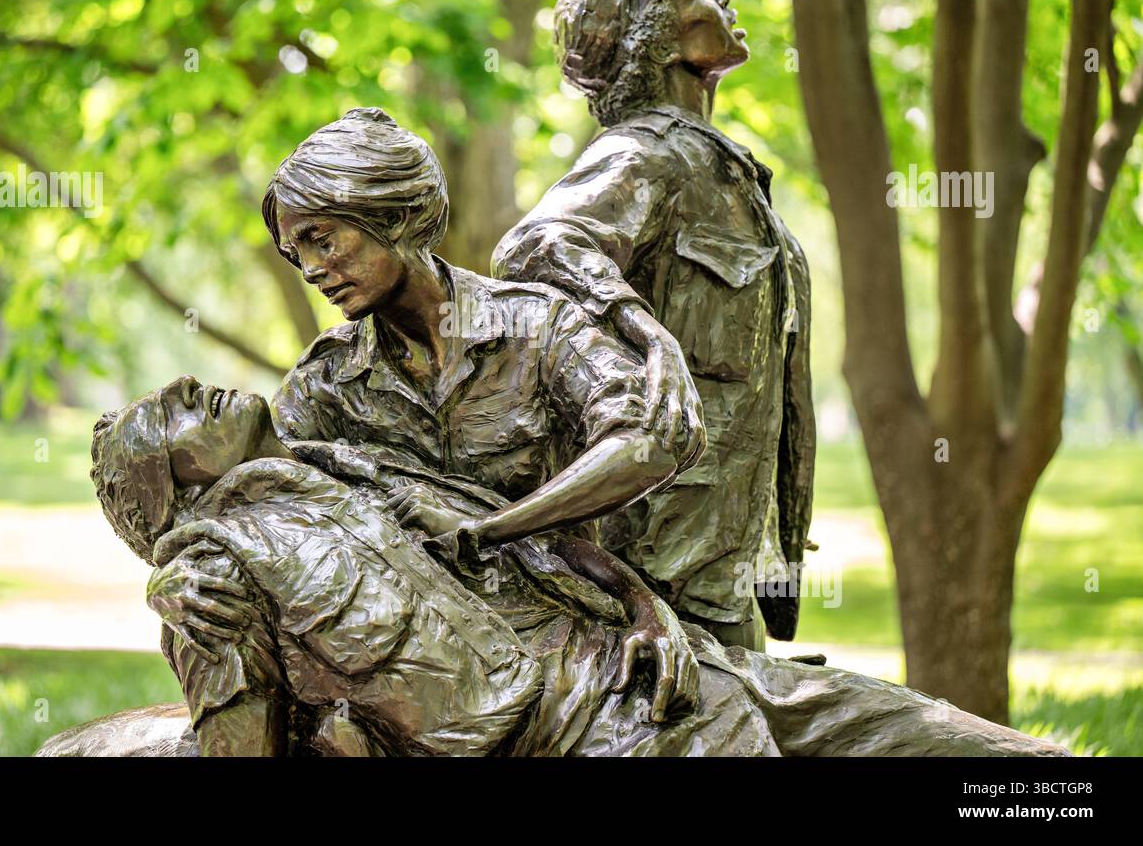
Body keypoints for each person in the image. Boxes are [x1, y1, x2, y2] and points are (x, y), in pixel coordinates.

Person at [96, 108, 1065, 757]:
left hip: (614, 636)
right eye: (294, 250)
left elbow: (648, 441)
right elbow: (272, 521)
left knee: (936, 743)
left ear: (392, 212)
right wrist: (173, 575)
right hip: (479, 699)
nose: (311, 267)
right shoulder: (320, 388)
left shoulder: (536, 324)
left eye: (325, 237)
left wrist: (555, 561)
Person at [492, 0, 815, 649]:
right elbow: (536, 247)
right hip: (656, 563)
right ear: (659, 36)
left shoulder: (722, 168)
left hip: (724, 559)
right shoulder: (645, 157)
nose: (723, 2)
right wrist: (641, 329)